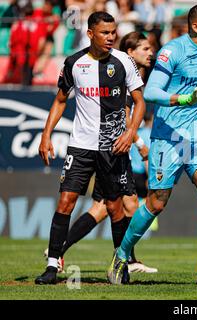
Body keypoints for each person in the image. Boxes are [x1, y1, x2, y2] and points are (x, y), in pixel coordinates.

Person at [107, 4, 197, 285]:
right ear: (195, 26)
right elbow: (152, 91)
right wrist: (186, 99)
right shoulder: (172, 51)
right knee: (156, 203)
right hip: (168, 136)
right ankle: (121, 255)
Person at [35, 11, 145, 285]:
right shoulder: (74, 62)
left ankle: (120, 265)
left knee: (115, 207)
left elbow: (139, 102)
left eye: (113, 32)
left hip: (113, 148)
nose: (111, 37)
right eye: (105, 33)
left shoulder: (124, 62)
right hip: (80, 146)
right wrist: (46, 135)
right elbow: (60, 100)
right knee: (65, 201)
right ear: (91, 34)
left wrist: (130, 133)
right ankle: (52, 265)